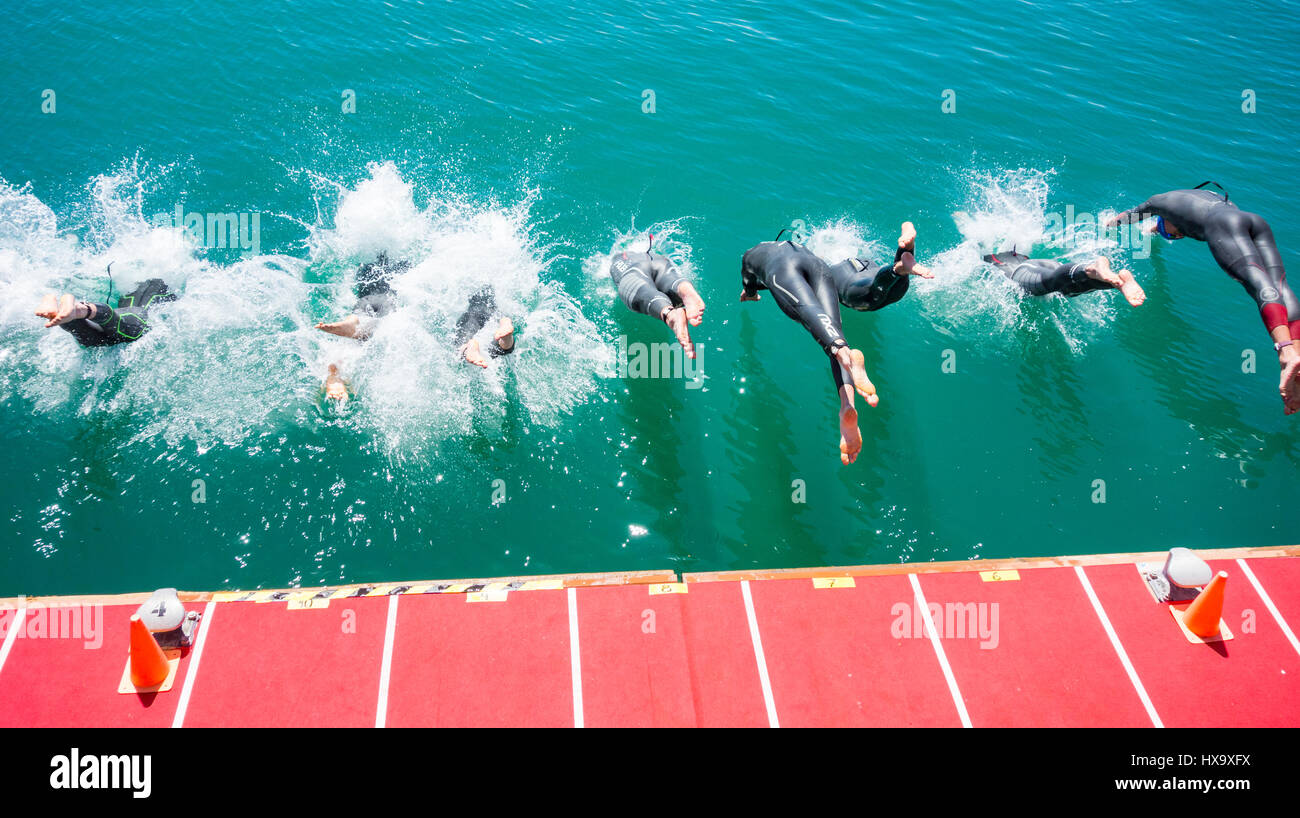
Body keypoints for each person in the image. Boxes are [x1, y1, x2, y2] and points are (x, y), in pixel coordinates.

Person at [1106, 184, 1300, 413]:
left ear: (1164, 218)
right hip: (1255, 221)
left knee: (1257, 285)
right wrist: (1157, 230)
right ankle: (1297, 360)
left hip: (1222, 226)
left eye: (1171, 233)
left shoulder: (1157, 202)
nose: (1177, 236)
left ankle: (1286, 353)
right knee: (1279, 285)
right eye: (1173, 237)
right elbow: (1176, 222)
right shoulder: (1199, 200)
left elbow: (1126, 218)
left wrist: (1108, 224)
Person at [739, 237, 879, 465]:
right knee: (832, 328)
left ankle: (844, 357)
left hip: (782, 270)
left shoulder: (750, 254)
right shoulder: (793, 246)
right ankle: (847, 404)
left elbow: (748, 280)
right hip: (818, 266)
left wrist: (750, 292)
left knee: (808, 313)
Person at [609, 236, 706, 358]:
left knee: (644, 292)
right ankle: (683, 287)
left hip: (633, 270)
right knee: (669, 279)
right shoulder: (653, 253)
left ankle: (669, 315)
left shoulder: (618, 259)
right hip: (660, 262)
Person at [35, 278, 176, 346]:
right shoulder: (159, 283)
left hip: (125, 319)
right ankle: (78, 309)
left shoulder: (135, 288)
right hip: (135, 317)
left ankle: (64, 310)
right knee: (112, 323)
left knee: (83, 330)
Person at [829, 221, 934, 312]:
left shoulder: (825, 271)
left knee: (874, 295)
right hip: (870, 269)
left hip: (854, 288)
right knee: (886, 284)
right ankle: (906, 249)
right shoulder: (851, 261)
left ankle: (901, 265)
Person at [982, 251, 1146, 306]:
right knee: (1068, 288)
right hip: (1049, 265)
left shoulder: (992, 260)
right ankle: (1118, 282)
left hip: (1025, 271)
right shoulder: (1018, 256)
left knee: (1053, 283)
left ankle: (1092, 268)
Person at [454, 286, 516, 367]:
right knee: (496, 343)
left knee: (461, 344)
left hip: (472, 314)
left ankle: (469, 347)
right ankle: (505, 332)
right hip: (493, 312)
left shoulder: (469, 283)